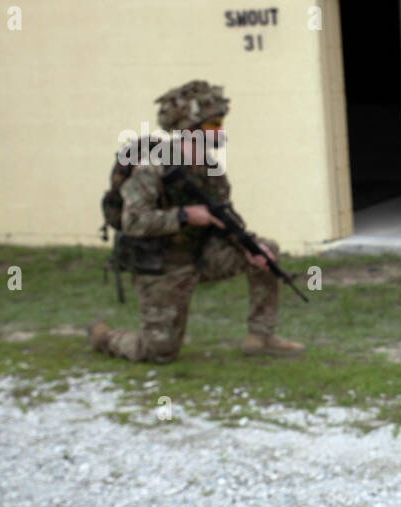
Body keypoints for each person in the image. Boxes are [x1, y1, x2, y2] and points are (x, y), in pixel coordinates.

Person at [89, 80, 304, 363]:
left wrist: (248, 246)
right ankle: (104, 337)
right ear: (191, 128)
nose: (221, 130)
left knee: (265, 249)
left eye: (220, 123)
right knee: (158, 353)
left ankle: (261, 337)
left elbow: (225, 215)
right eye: (214, 124)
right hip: (162, 266)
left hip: (201, 255)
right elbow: (133, 221)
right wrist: (185, 216)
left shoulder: (209, 167)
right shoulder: (153, 167)